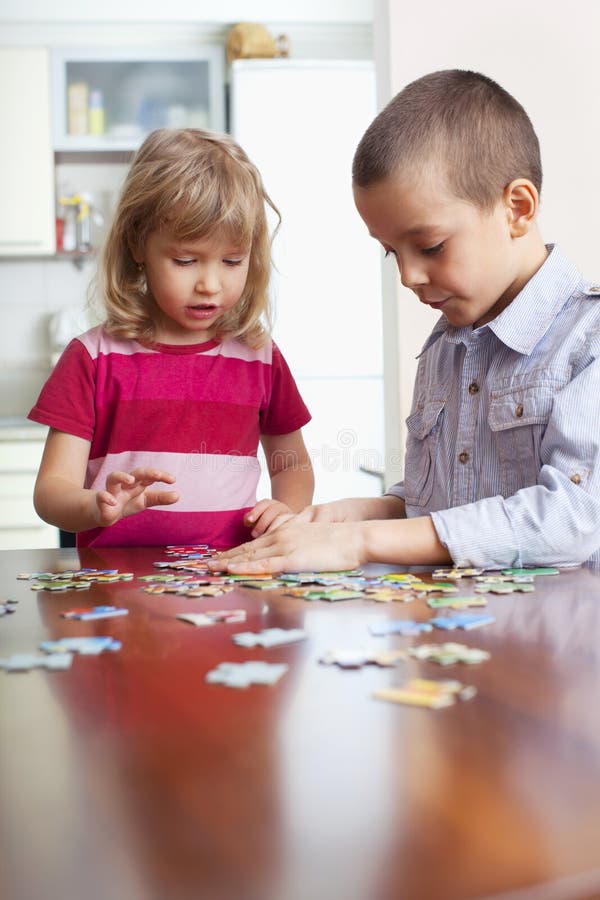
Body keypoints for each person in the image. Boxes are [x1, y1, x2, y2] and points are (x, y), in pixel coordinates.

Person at [211, 69, 600, 574]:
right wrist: (350, 519)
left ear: (517, 209)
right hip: (454, 638)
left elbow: (572, 518)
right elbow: (436, 507)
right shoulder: (445, 347)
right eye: (390, 252)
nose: (408, 275)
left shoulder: (587, 340)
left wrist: (364, 542)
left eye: (431, 246)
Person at [29, 128, 313, 548]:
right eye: (185, 260)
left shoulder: (260, 358)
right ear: (137, 244)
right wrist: (96, 506)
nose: (210, 284)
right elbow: (51, 489)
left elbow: (292, 464)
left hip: (231, 593)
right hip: (117, 595)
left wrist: (287, 510)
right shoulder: (92, 358)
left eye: (232, 260)